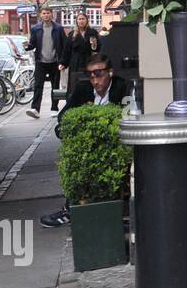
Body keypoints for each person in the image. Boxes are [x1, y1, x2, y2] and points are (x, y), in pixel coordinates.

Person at [40, 54, 129, 228]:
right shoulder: (83, 89)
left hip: (115, 144)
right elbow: (64, 115)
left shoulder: (122, 87)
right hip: (89, 146)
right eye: (90, 75)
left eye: (99, 73)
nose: (95, 79)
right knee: (76, 160)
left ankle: (114, 211)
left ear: (110, 72)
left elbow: (129, 114)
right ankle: (70, 210)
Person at [24, 6, 67, 119]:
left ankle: (54, 108)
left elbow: (64, 45)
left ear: (51, 14)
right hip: (41, 61)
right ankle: (35, 109)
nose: (46, 15)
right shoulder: (36, 29)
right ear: (40, 15)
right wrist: (27, 46)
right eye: (44, 13)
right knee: (38, 85)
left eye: (48, 13)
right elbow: (32, 44)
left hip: (55, 62)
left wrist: (63, 61)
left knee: (55, 86)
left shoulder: (58, 28)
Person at [63, 11, 100, 89]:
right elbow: (67, 50)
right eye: (79, 19)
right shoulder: (72, 34)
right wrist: (63, 63)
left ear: (86, 20)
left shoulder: (93, 32)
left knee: (89, 82)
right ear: (76, 21)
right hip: (75, 62)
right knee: (75, 83)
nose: (81, 21)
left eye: (83, 19)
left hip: (88, 60)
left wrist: (94, 44)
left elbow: (97, 48)